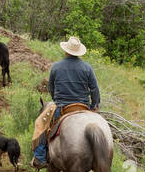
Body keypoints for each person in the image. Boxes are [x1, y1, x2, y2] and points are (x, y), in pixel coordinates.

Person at [32, 36, 100, 165]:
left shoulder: (56, 67)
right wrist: (94, 105)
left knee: (41, 123)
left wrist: (56, 99)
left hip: (62, 107)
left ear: (66, 51)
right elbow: (94, 89)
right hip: (83, 107)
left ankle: (40, 157)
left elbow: (51, 87)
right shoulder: (87, 67)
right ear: (79, 52)